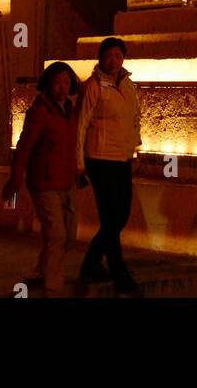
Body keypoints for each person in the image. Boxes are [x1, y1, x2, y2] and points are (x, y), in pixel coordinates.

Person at [2, 61, 80, 297]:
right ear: (47, 84)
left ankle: (40, 270)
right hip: (44, 183)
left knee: (68, 232)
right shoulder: (40, 112)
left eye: (66, 82)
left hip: (66, 181)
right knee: (56, 232)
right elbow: (24, 147)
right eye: (57, 82)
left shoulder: (70, 110)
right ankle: (53, 285)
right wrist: (15, 179)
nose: (62, 87)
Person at [76, 36, 142, 295]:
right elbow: (81, 124)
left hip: (122, 158)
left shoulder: (128, 84)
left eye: (118, 56)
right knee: (109, 216)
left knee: (121, 214)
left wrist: (134, 149)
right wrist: (78, 163)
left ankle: (91, 263)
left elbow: (135, 118)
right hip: (99, 158)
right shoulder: (93, 86)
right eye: (108, 56)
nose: (113, 61)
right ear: (100, 58)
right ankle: (119, 271)